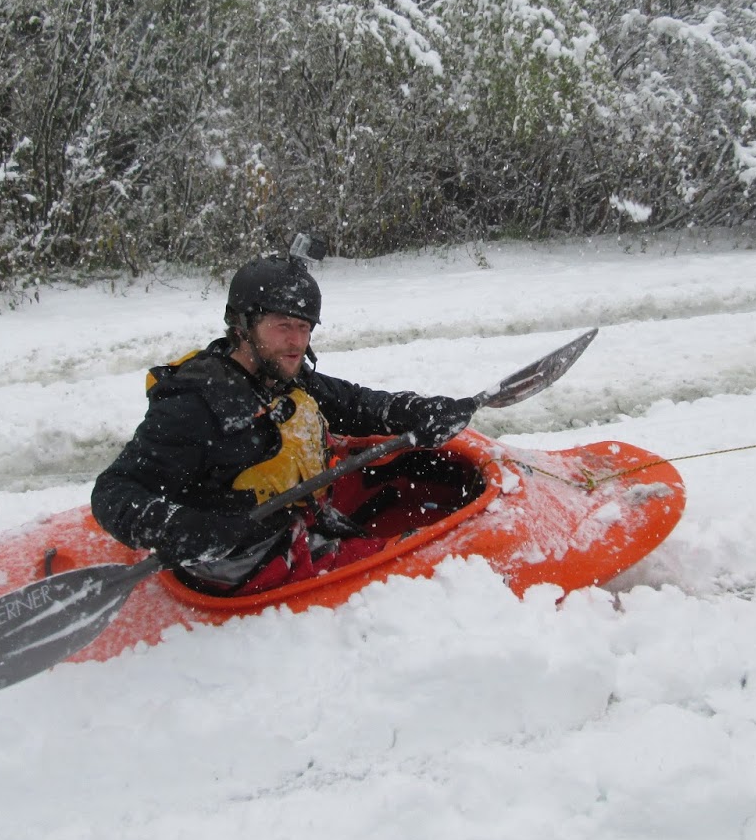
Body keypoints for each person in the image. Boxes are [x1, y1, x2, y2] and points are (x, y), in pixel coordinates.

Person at [90, 251, 478, 594]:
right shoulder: (196, 403)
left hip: (297, 524)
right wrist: (179, 528)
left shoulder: (279, 374)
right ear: (243, 326)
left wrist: (415, 410)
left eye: (305, 327)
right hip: (251, 564)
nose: (297, 342)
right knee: (441, 555)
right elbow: (114, 491)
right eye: (283, 325)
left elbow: (355, 403)